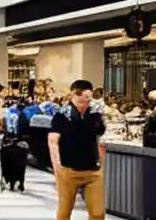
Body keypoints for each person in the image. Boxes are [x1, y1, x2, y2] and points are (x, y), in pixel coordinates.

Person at [49, 80, 106, 220]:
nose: (84, 104)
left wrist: (101, 160)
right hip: (69, 171)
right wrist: (57, 167)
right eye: (80, 100)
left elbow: (101, 138)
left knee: (98, 213)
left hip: (93, 171)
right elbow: (53, 141)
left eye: (87, 100)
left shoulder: (95, 114)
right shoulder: (62, 115)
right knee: (64, 212)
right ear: (73, 96)